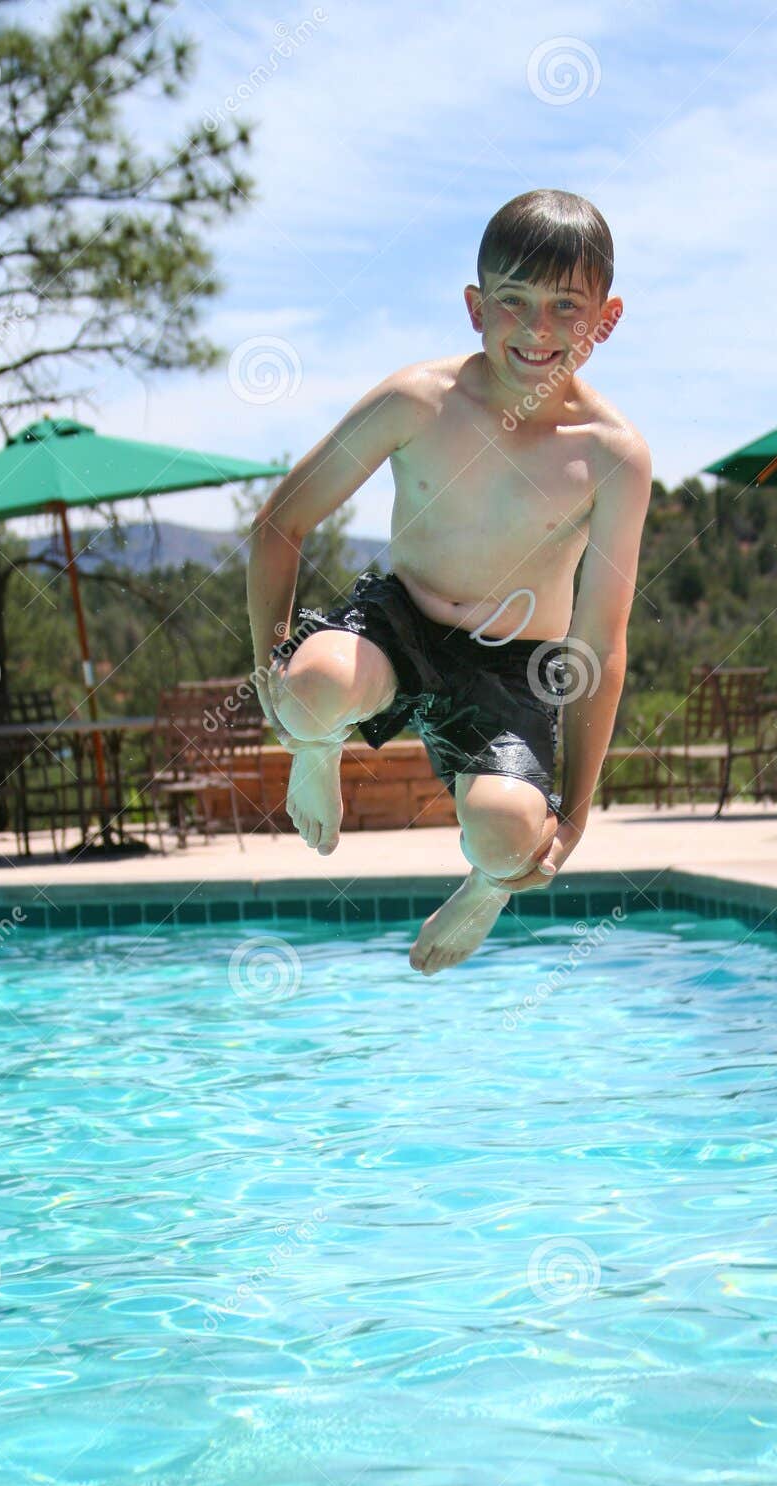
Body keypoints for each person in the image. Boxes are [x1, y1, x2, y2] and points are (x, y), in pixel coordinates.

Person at [247, 188, 651, 976]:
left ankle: (486, 887)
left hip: (509, 670)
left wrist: (571, 820)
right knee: (313, 685)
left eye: (566, 307)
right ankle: (316, 748)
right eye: (514, 301)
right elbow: (278, 524)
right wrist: (272, 675)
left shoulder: (612, 456)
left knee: (509, 835)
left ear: (605, 318)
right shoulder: (418, 401)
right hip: (400, 625)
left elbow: (601, 644)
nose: (537, 330)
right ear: (474, 307)